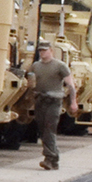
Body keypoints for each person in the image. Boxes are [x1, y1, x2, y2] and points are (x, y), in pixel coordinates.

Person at [25, 42, 78, 170]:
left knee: (49, 128)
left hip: (54, 101)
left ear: (51, 50)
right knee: (43, 130)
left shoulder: (60, 66)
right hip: (40, 100)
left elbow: (70, 85)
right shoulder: (35, 66)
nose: (42, 53)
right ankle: (54, 159)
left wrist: (73, 102)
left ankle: (49, 158)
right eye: (40, 50)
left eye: (45, 50)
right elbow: (30, 83)